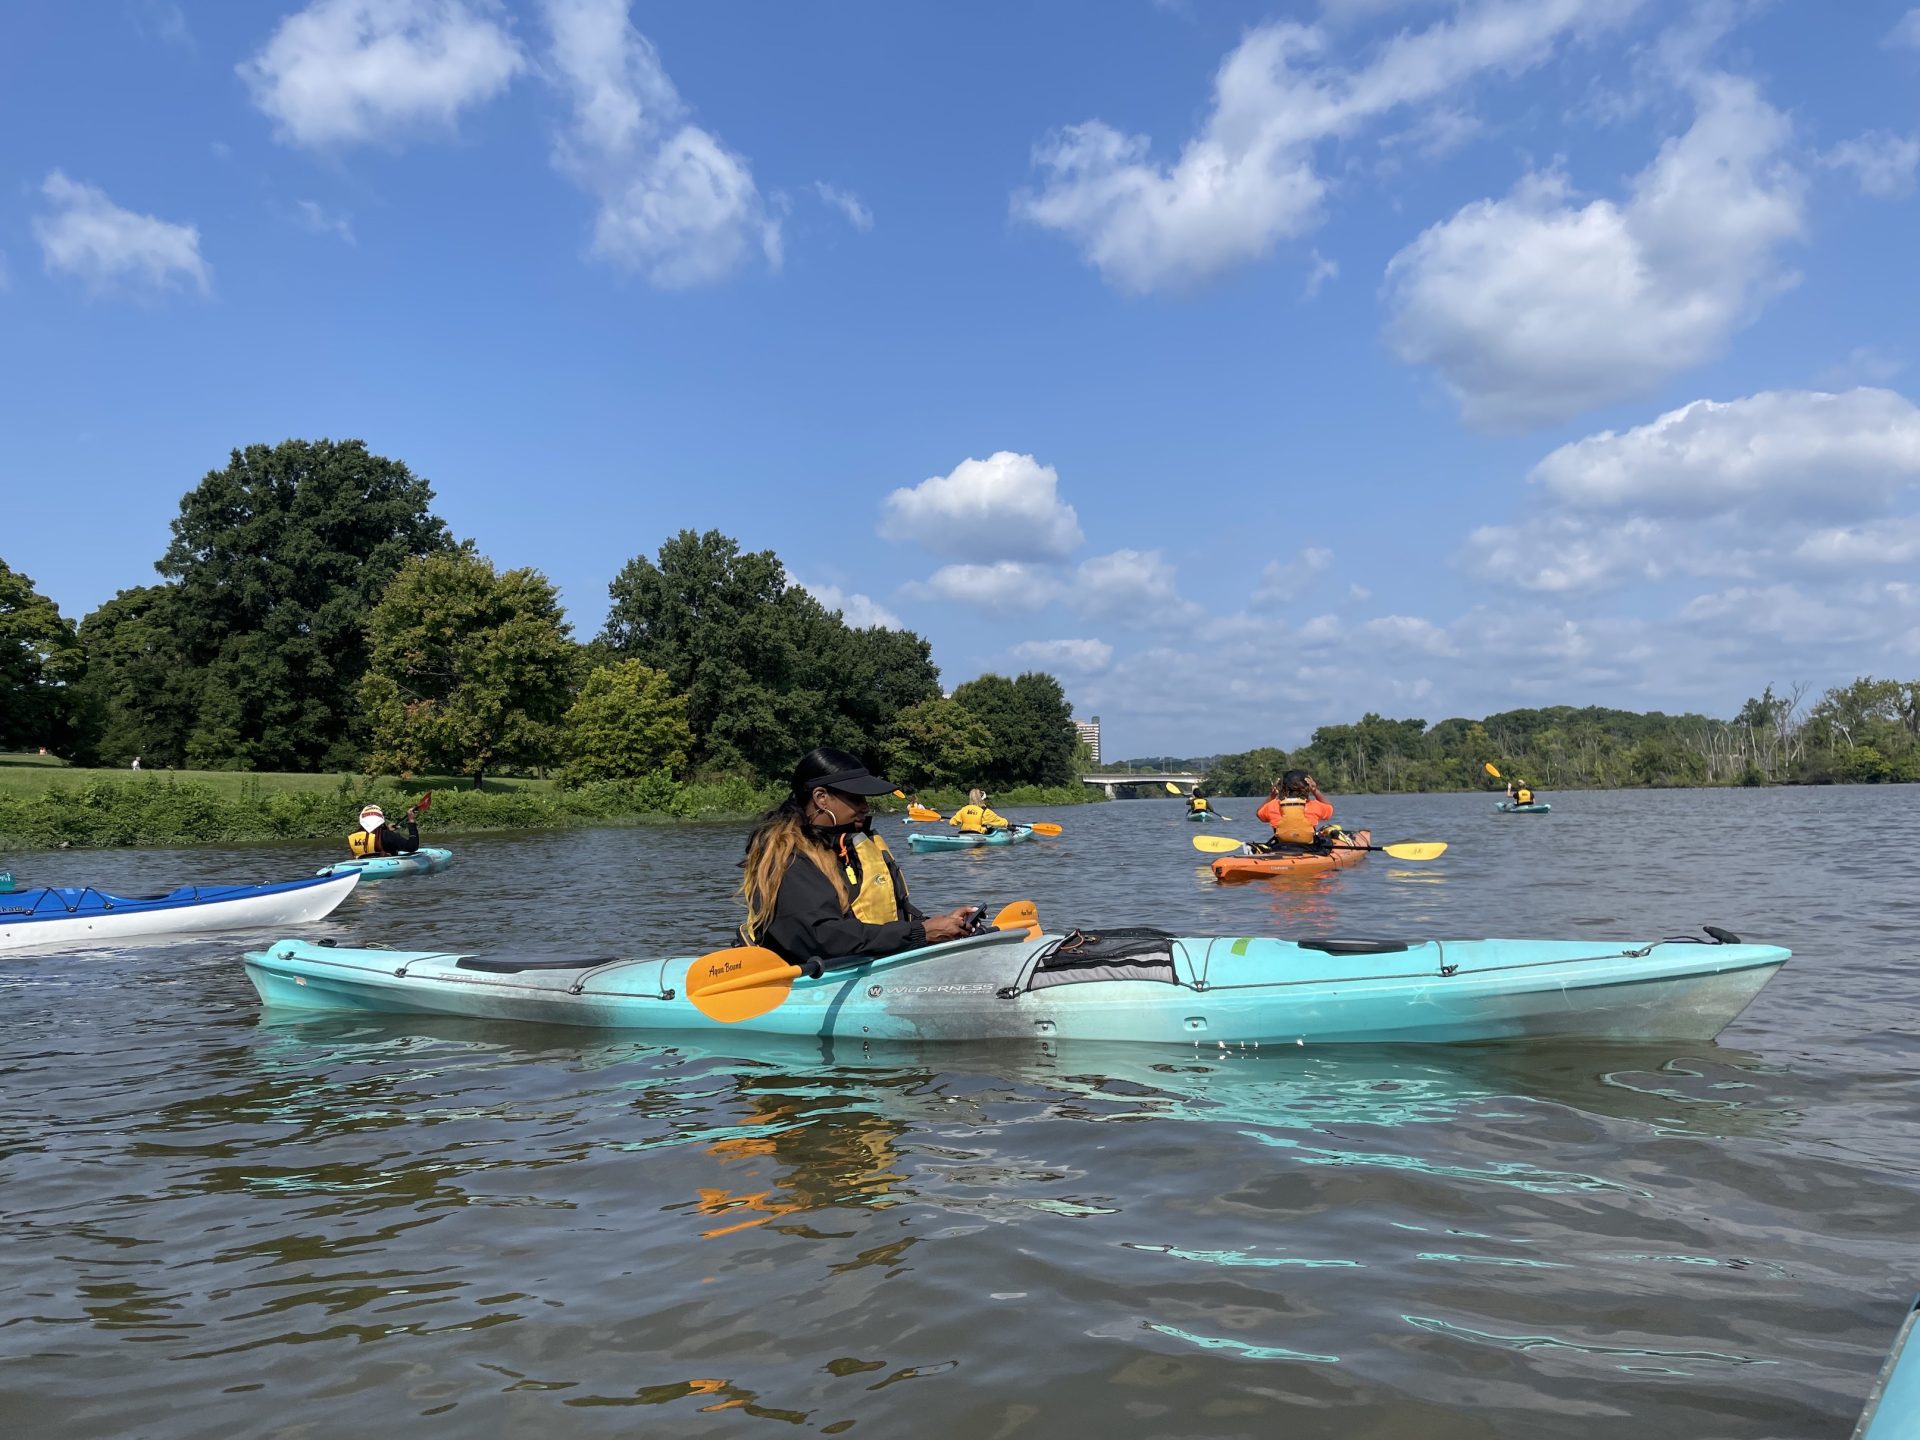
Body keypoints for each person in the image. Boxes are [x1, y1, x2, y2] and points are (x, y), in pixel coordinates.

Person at [739, 748, 979, 967]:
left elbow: (884, 918)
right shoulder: (787, 858)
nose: (865, 807)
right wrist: (921, 932)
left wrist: (942, 925)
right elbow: (822, 937)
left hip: (866, 969)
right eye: (856, 798)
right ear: (821, 798)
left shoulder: (848, 848)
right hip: (806, 983)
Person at [1256, 770, 1335, 848]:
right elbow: (1330, 808)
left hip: (1282, 847)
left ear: (1282, 788)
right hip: (1309, 848)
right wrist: (1315, 791)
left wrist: (1271, 796)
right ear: (1307, 787)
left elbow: (1259, 814)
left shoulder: (1273, 806)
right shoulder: (1313, 805)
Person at [348, 801, 421, 858]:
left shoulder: (353, 836)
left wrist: (387, 830)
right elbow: (412, 847)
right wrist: (411, 821)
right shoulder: (387, 836)